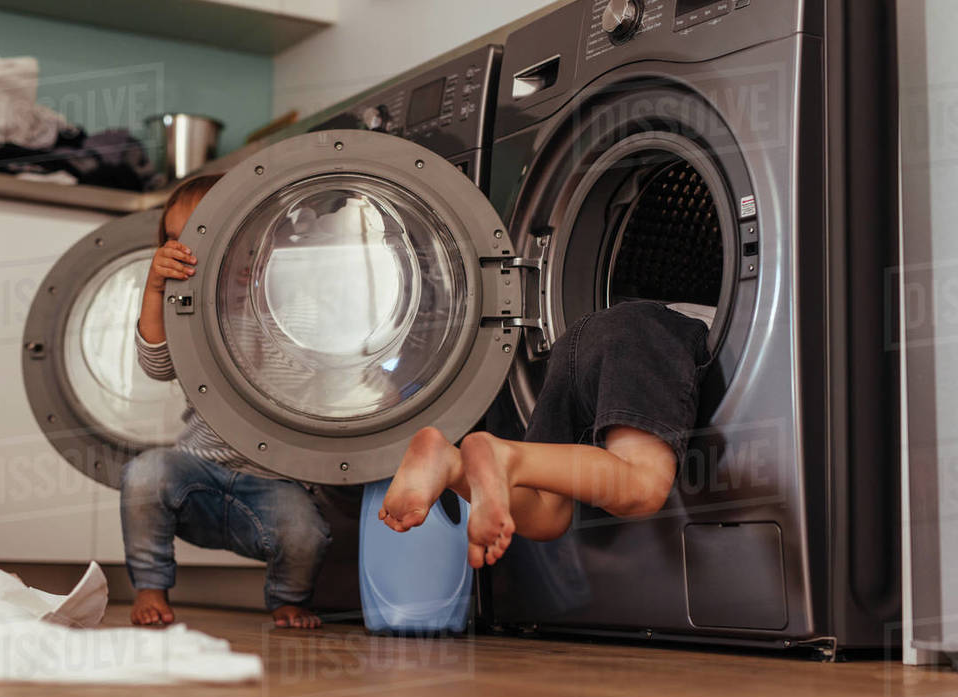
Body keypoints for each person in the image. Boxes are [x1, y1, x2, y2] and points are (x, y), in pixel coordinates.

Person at [121, 174, 331, 629]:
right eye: (174, 241)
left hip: (275, 482)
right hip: (198, 472)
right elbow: (157, 365)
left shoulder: (295, 306)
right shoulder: (189, 307)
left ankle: (287, 599)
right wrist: (155, 290)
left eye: (203, 235)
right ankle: (150, 589)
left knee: (305, 533)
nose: (186, 251)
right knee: (145, 475)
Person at [379, 301, 711, 568]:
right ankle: (505, 457)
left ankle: (452, 464)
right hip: (643, 330)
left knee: (546, 513)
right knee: (642, 484)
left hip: (574, 340)